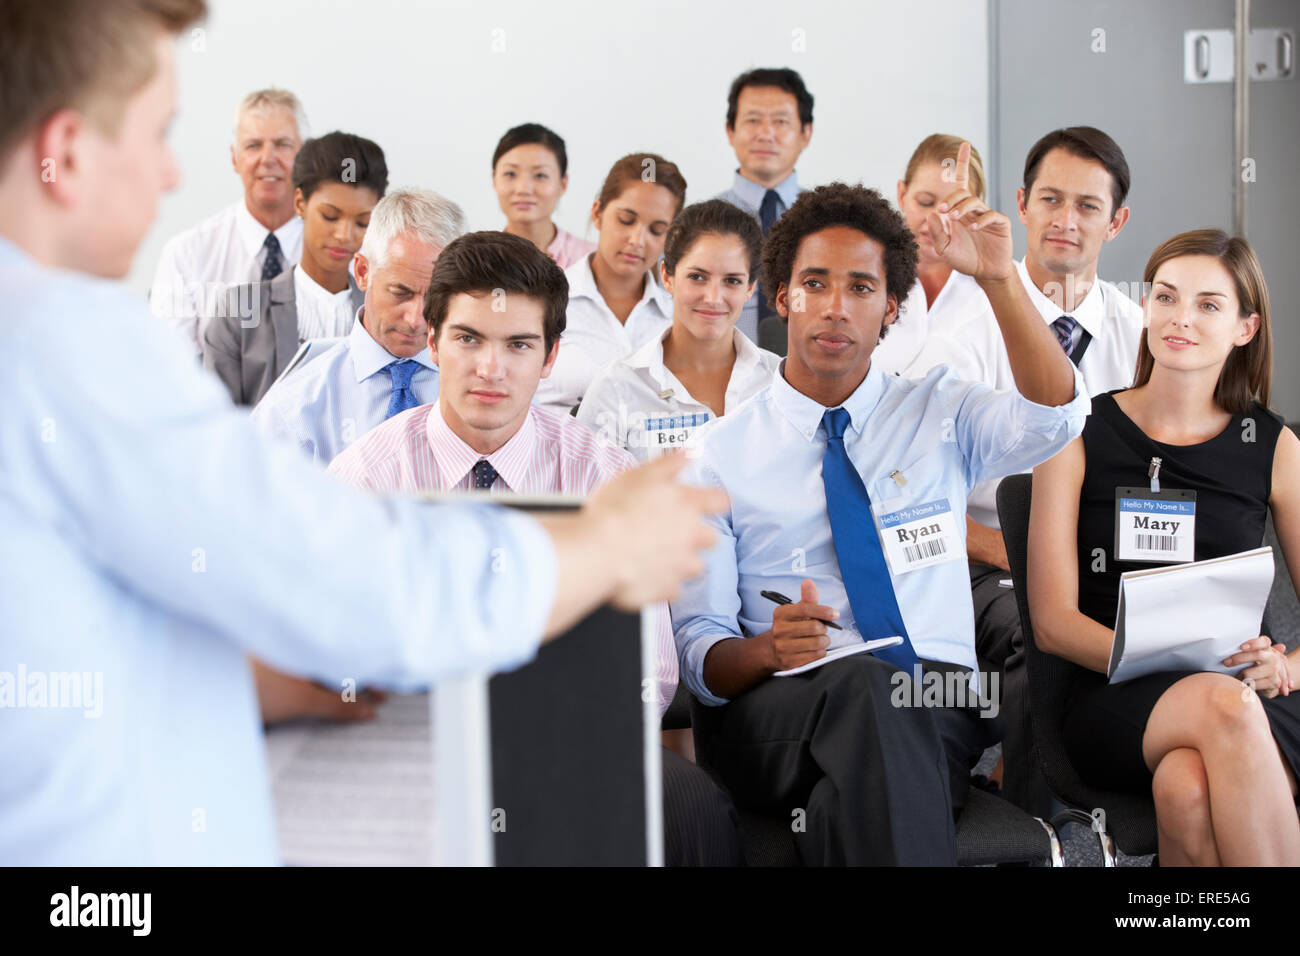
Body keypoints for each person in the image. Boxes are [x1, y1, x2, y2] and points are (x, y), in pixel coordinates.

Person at [0, 0, 725, 865]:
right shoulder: (69, 347)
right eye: (160, 134)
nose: (167, 175)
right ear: (70, 153)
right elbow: (354, 583)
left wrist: (254, 684)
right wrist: (597, 546)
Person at [670, 149, 1090, 864]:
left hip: (933, 702)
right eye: (814, 283)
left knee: (851, 792)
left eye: (861, 286)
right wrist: (769, 648)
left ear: (891, 306)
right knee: (869, 691)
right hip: (774, 710)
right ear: (780, 297)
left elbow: (1055, 418)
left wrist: (998, 281)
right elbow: (701, 656)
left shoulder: (940, 410)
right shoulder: (715, 454)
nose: (836, 306)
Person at [328, 230, 740, 866]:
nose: (491, 368)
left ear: (549, 358)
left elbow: (652, 670)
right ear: (433, 341)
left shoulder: (602, 475)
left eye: (518, 345)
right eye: (469, 339)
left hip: (575, 740)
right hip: (416, 745)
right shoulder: (367, 481)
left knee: (688, 802)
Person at [1028, 229, 1300, 865]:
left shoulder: (1275, 446)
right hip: (1115, 696)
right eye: (1166, 297)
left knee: (1186, 789)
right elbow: (1051, 624)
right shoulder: (1076, 430)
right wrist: (1190, 664)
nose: (1180, 318)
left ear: (1245, 327)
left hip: (1247, 689)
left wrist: (1285, 665)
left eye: (1208, 304)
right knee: (1223, 707)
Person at [918, 128, 1143, 810]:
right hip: (991, 561)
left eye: (1087, 205)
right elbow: (915, 494)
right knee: (1034, 622)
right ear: (1020, 204)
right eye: (1049, 199)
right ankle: (1033, 820)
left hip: (1111, 557)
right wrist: (1019, 555)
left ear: (1118, 221)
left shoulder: (1141, 337)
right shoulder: (960, 337)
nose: (1065, 221)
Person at [251, 187, 464, 466]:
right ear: (363, 272)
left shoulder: (490, 390)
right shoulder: (294, 408)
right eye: (400, 293)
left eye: (436, 297)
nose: (416, 320)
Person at [576, 199, 780, 461]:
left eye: (732, 281)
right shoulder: (618, 386)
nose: (713, 297)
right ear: (667, 277)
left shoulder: (778, 383)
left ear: (750, 288)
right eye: (697, 277)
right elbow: (590, 496)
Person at [203, 130, 387, 406]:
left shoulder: (385, 312)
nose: (345, 235)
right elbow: (216, 423)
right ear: (300, 203)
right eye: (330, 216)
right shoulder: (239, 310)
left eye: (362, 222)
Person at [149, 87, 307, 356]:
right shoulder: (185, 255)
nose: (268, 159)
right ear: (234, 158)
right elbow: (172, 369)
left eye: (283, 144)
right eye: (253, 145)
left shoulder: (346, 253)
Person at [532, 152, 685, 414]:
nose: (637, 240)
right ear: (598, 213)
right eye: (626, 220)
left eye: (657, 230)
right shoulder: (545, 300)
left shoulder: (678, 314)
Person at [870, 134, 991, 378]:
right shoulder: (866, 275)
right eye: (925, 202)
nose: (936, 220)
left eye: (954, 207)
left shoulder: (1001, 288)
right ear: (902, 195)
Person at [714, 67, 813, 352]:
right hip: (722, 381)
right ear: (730, 131)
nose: (766, 134)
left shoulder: (830, 223)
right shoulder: (701, 224)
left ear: (806, 133)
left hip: (816, 384)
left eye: (780, 121)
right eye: (753, 120)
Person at [492, 122, 594, 270]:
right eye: (510, 174)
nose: (523, 189)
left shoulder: (592, 260)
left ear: (563, 183)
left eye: (540, 175)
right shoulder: (476, 261)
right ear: (494, 179)